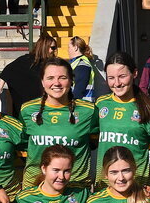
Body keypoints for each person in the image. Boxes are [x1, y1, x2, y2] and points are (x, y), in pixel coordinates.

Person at [19, 57, 98, 188]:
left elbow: (93, 142)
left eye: (62, 77)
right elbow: (23, 145)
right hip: (34, 189)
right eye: (50, 78)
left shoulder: (88, 111)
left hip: (75, 189)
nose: (56, 83)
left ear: (71, 80)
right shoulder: (27, 110)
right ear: (42, 82)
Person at [96, 51, 150, 189]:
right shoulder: (100, 104)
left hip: (137, 186)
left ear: (135, 73)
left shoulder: (149, 107)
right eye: (111, 78)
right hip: (105, 185)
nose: (117, 83)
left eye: (122, 76)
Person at [85, 146, 150, 203]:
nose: (121, 178)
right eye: (114, 172)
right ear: (105, 174)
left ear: (134, 170)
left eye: (126, 171)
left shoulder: (147, 201)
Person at [0, 34, 55, 116]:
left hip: (44, 107)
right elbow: (7, 70)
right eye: (52, 48)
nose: (54, 50)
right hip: (27, 108)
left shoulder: (51, 64)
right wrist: (0, 87)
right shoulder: (26, 60)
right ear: (44, 47)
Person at [67, 36, 96, 101]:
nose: (68, 50)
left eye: (69, 47)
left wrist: (72, 102)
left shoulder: (82, 63)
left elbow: (79, 89)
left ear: (75, 48)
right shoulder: (78, 62)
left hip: (82, 105)